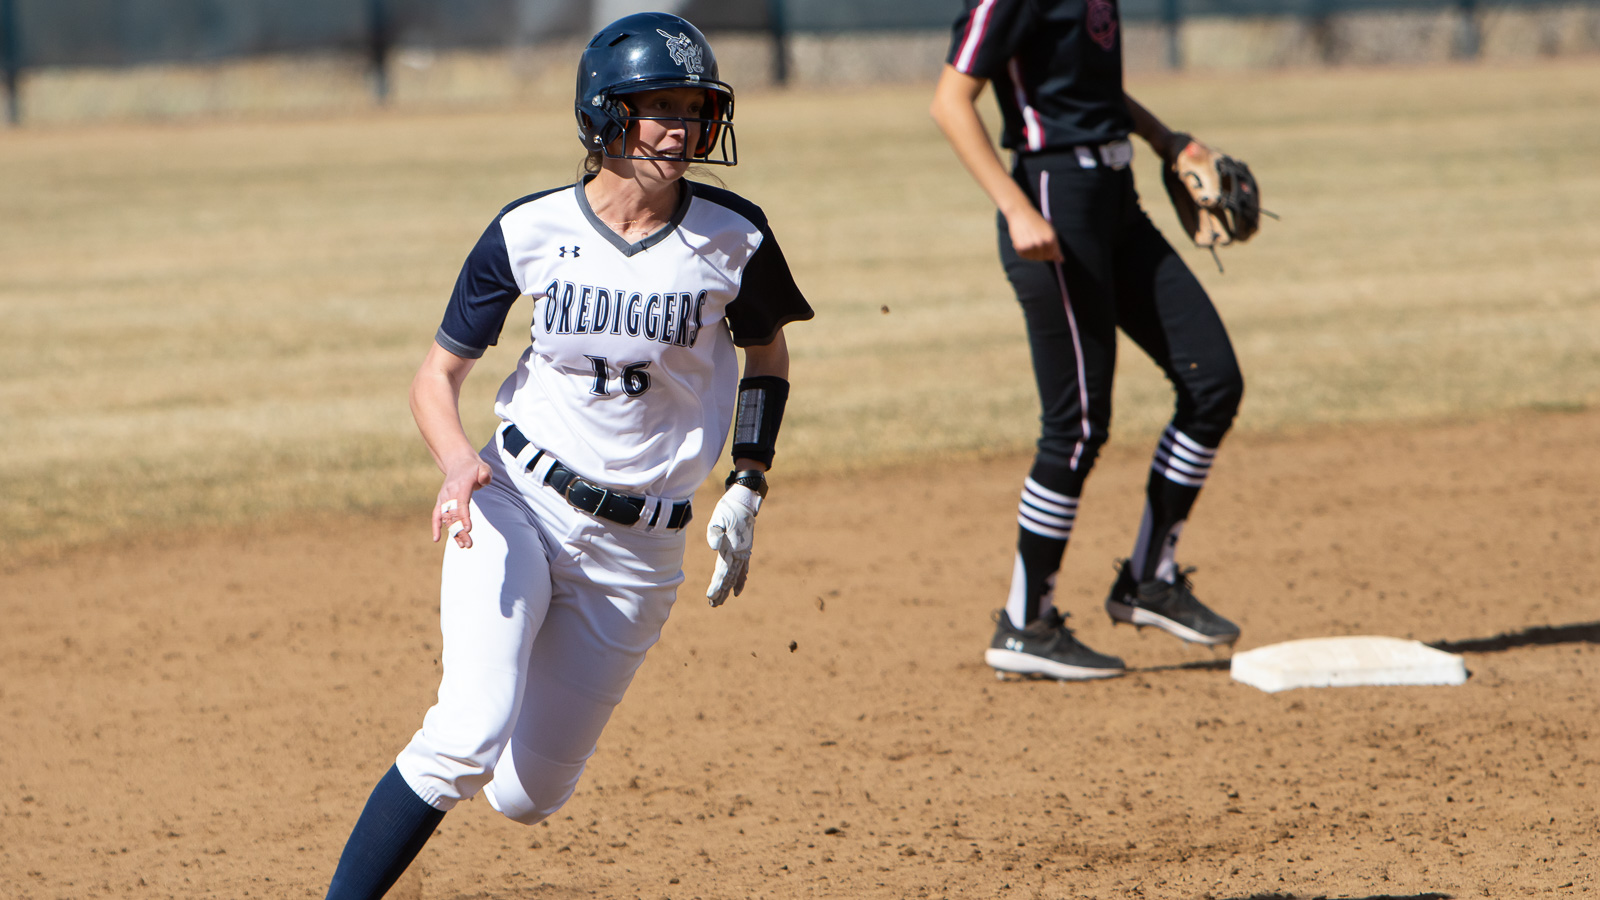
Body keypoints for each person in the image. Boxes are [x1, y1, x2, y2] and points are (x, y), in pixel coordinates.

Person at [321, 13, 812, 898]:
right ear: (604, 116)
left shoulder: (735, 236)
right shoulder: (530, 229)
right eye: (654, 106)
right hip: (516, 497)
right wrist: (455, 463)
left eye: (693, 108)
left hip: (642, 550)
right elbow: (436, 378)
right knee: (466, 731)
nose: (679, 126)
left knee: (526, 796)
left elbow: (766, 350)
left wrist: (749, 477)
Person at [930, 0, 1247, 681]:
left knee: (1213, 381)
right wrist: (1015, 209)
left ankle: (1148, 580)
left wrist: (1167, 140)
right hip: (1051, 200)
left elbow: (1089, 89)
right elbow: (952, 101)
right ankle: (1024, 622)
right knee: (1076, 425)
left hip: (1115, 198)